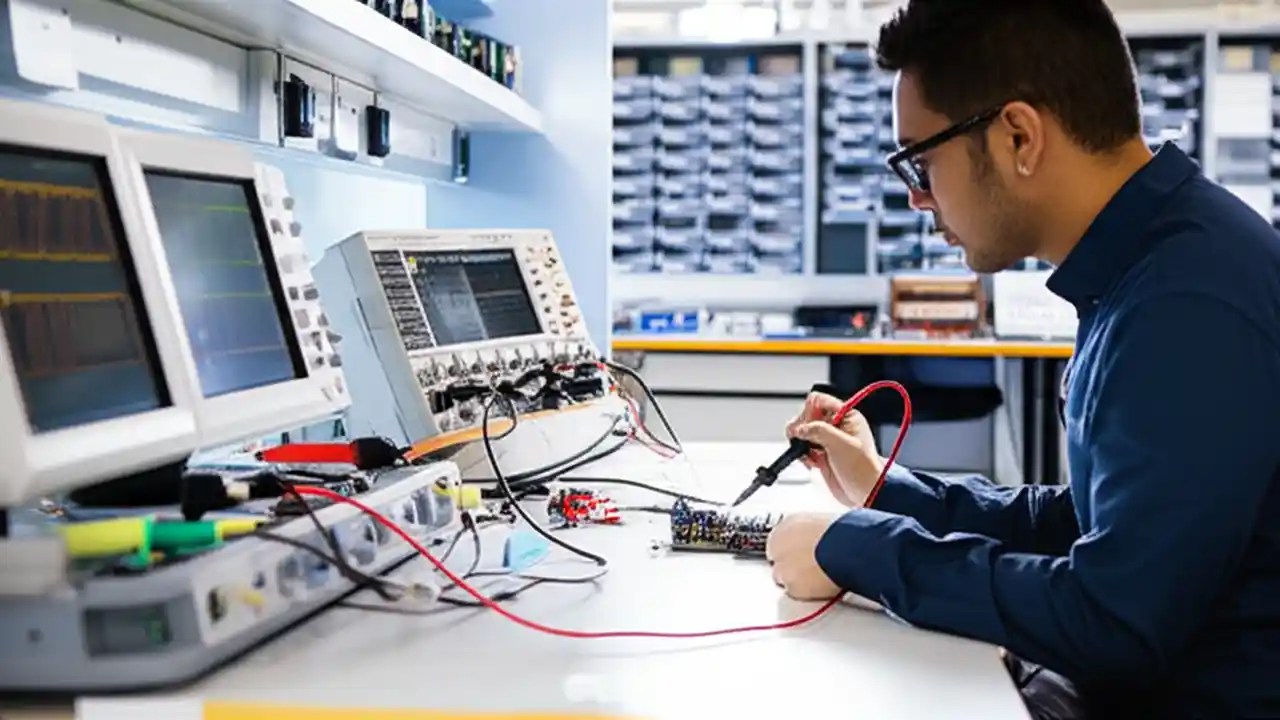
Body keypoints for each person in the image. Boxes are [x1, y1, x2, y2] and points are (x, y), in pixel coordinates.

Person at [763, 1, 1280, 718]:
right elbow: (1098, 525)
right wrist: (889, 491)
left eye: (922, 161)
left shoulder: (1191, 302)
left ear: (1018, 136)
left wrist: (862, 551)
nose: (918, 199)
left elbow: (1115, 620)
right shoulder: (1147, 265)